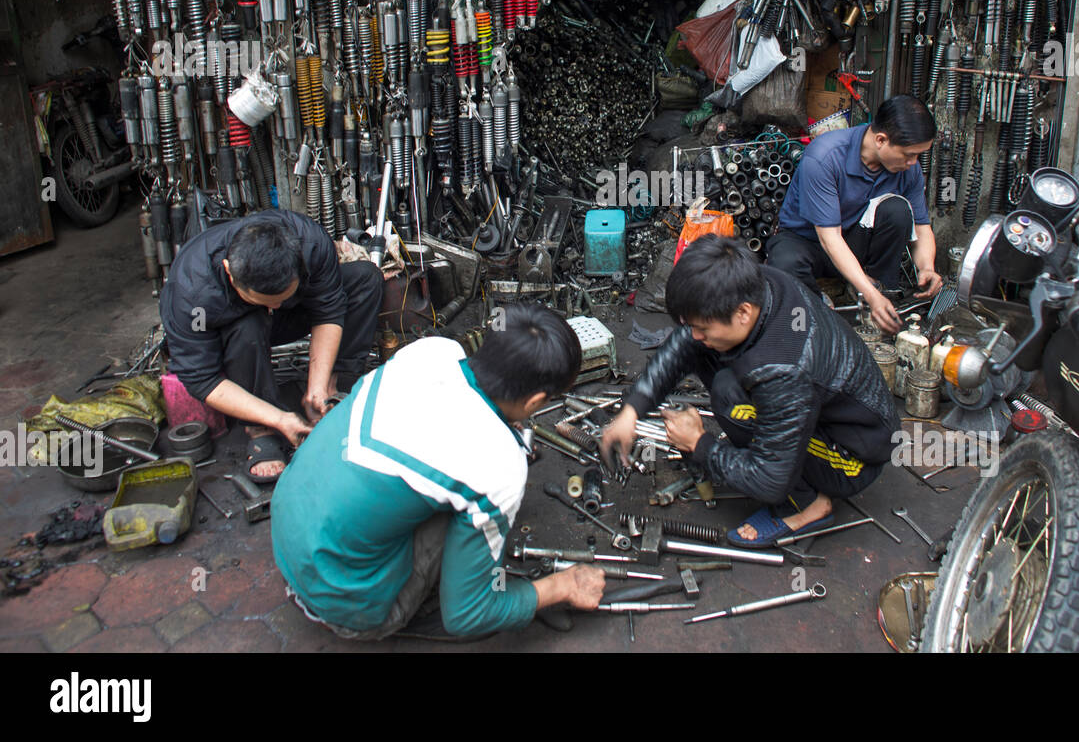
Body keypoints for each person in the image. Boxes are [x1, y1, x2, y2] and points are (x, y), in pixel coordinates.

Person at [270, 304, 605, 639]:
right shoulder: (501, 463)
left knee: (435, 486)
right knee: (470, 510)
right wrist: (561, 586)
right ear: (535, 402)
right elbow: (468, 616)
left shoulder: (431, 351)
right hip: (347, 605)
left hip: (289, 542)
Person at [601, 236, 900, 548]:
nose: (695, 334)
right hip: (820, 406)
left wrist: (700, 445)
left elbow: (769, 480)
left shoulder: (784, 370)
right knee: (712, 362)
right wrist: (633, 410)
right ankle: (775, 446)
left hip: (852, 457)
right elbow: (683, 342)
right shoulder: (755, 285)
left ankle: (809, 504)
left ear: (743, 313)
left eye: (703, 326)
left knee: (732, 404)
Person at [160, 210, 383, 481]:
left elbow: (329, 308)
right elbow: (201, 378)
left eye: (279, 298)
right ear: (229, 272)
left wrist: (317, 387)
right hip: (241, 334)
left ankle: (335, 389)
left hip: (290, 316)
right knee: (248, 324)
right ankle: (259, 429)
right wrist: (278, 418)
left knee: (366, 278)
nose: (274, 307)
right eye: (266, 300)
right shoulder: (192, 292)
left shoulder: (310, 243)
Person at [765, 94, 942, 335]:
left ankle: (880, 297)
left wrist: (927, 267)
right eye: (908, 155)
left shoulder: (907, 169)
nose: (913, 162)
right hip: (809, 242)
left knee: (897, 211)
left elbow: (921, 227)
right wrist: (870, 294)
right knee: (784, 262)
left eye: (918, 155)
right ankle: (823, 310)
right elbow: (830, 238)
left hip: (853, 240)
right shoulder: (824, 156)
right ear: (880, 140)